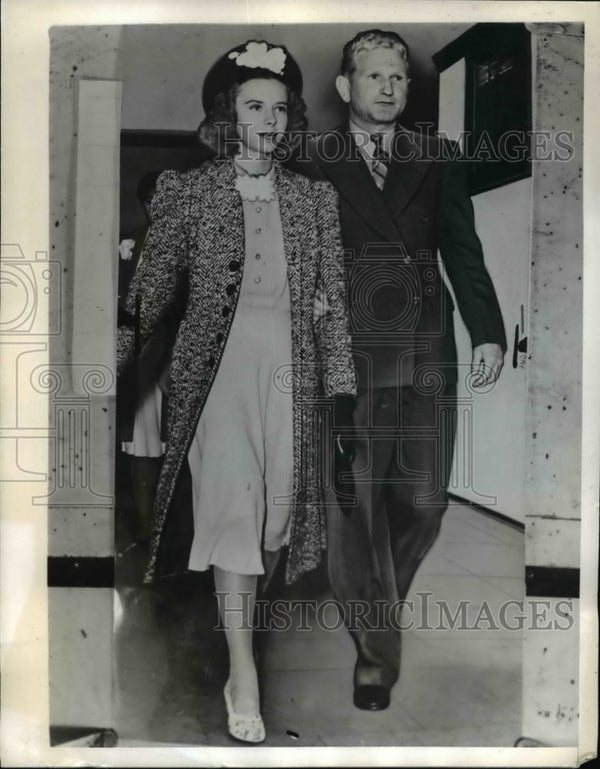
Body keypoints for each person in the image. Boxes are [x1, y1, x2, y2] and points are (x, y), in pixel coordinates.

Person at [117, 39, 356, 743]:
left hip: (289, 371)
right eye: (255, 106)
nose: (270, 120)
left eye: (281, 108)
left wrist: (340, 391)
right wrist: (112, 360)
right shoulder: (188, 191)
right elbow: (151, 291)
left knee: (278, 518)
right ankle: (242, 669)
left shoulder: (315, 199)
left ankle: (247, 617)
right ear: (227, 113)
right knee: (232, 510)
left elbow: (333, 304)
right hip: (214, 372)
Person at [294, 29, 507, 711]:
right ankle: (375, 653)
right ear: (344, 87)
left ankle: (374, 608)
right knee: (353, 507)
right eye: (374, 75)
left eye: (399, 77)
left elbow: (463, 252)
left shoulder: (436, 157)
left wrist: (488, 331)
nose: (389, 87)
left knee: (423, 501)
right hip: (345, 352)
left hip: (424, 347)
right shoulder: (310, 158)